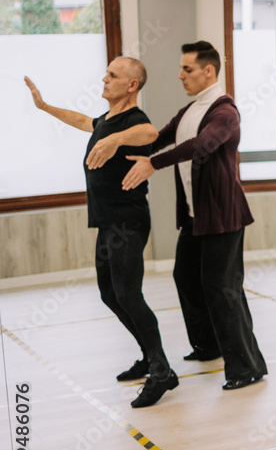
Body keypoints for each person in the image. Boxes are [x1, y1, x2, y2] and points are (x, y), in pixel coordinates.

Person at [24, 58, 178, 408]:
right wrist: (44, 106)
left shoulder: (133, 121)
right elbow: (81, 120)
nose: (104, 78)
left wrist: (115, 141)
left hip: (127, 221)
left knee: (129, 294)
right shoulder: (106, 119)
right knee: (110, 293)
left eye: (113, 75)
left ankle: (161, 370)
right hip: (108, 221)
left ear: (132, 85)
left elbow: (150, 134)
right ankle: (150, 357)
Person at [122, 41, 267, 391]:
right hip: (195, 216)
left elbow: (201, 145)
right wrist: (115, 142)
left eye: (187, 69)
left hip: (223, 216)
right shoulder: (190, 110)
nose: (179, 75)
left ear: (209, 71)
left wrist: (152, 164)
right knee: (185, 276)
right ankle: (208, 346)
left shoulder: (225, 113)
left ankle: (247, 367)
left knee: (222, 289)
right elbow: (158, 139)